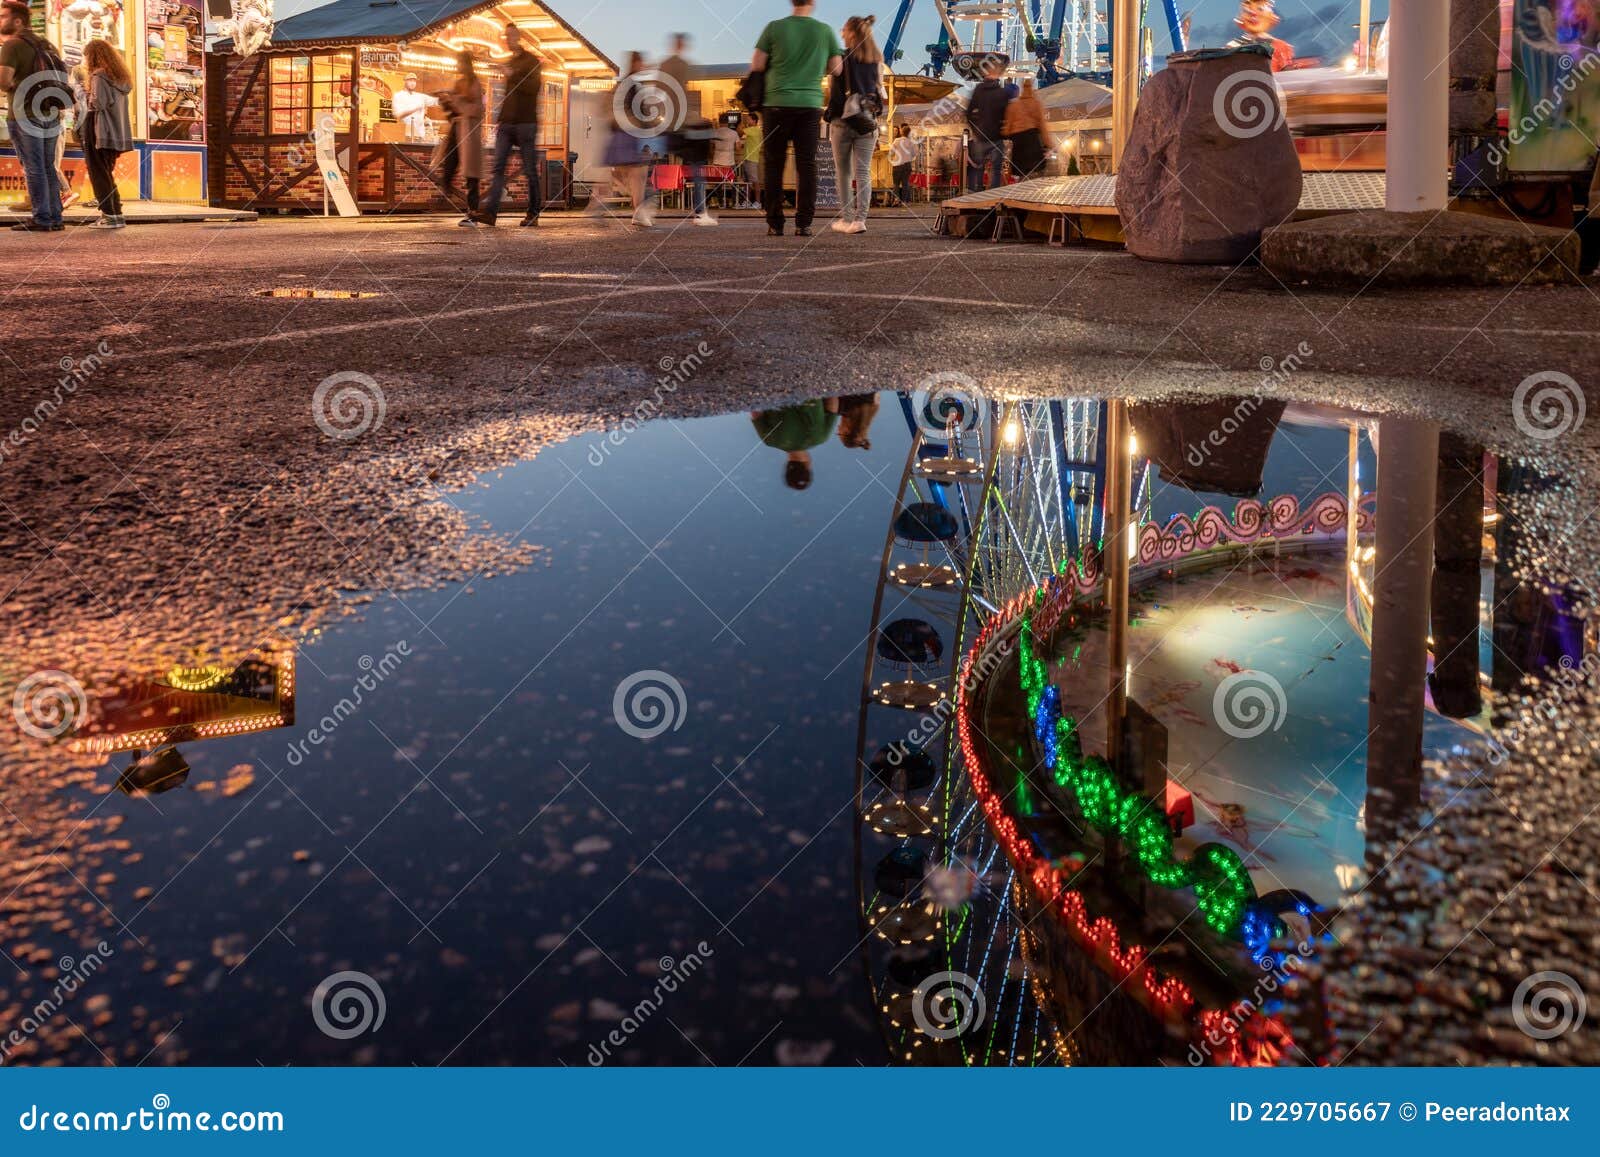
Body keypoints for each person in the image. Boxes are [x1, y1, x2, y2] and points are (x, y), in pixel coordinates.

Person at [752, 1, 842, 237]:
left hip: (776, 104)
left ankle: (775, 223)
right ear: (812, 2)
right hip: (809, 105)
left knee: (774, 164)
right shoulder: (824, 31)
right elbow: (837, 68)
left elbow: (757, 64)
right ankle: (803, 223)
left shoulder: (774, 28)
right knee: (807, 165)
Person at [1, 0, 65, 231]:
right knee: (47, 166)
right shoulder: (47, 44)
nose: (0, 20)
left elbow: (4, 81)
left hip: (24, 114)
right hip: (51, 113)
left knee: (34, 167)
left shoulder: (13, 44)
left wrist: (16, 86)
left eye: (3, 16)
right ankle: (55, 218)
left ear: (18, 21)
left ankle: (41, 218)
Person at [472, 23, 543, 228]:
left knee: (529, 170)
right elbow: (509, 95)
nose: (508, 40)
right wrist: (499, 119)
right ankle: (490, 214)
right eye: (506, 36)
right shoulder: (510, 61)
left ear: (518, 36)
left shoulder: (532, 61)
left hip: (526, 123)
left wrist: (513, 75)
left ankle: (533, 214)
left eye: (511, 36)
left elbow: (533, 89)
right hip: (507, 123)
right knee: (498, 168)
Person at [825, 14, 885, 235]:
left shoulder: (841, 57)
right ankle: (860, 220)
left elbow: (834, 89)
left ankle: (846, 218)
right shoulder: (877, 59)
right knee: (863, 171)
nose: (841, 32)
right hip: (867, 120)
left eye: (843, 29)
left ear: (851, 33)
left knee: (843, 172)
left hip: (842, 120)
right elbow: (880, 91)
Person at [660, 32, 717, 226]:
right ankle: (700, 213)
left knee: (654, 165)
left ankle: (642, 207)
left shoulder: (664, 65)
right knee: (697, 166)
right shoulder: (683, 66)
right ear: (681, 45)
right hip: (682, 126)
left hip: (667, 125)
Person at [603, 52, 663, 228]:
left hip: (625, 134)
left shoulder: (628, 84)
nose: (644, 67)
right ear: (636, 64)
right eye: (642, 64)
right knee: (637, 175)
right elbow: (635, 112)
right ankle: (636, 211)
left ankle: (637, 211)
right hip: (628, 134)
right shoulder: (630, 85)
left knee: (635, 175)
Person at [80, 38, 132, 230]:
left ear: (92, 56)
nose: (85, 61)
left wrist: (85, 98)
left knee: (98, 173)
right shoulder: (120, 78)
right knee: (106, 172)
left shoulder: (98, 75)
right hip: (116, 132)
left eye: (86, 56)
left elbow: (98, 104)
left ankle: (109, 215)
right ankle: (116, 213)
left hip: (99, 129)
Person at [436, 51, 485, 224]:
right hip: (457, 129)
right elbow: (453, 112)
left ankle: (473, 213)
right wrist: (445, 102)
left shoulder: (474, 83)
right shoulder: (460, 83)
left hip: (469, 132)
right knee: (449, 162)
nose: (457, 65)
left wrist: (456, 99)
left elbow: (477, 110)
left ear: (466, 64)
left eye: (459, 62)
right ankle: (446, 190)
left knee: (471, 175)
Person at [752, 399, 839, 490]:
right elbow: (754, 408)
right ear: (787, 467)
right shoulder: (770, 441)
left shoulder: (821, 438)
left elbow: (832, 400)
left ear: (808, 465)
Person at [965, 57, 1011, 192]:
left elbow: (968, 112)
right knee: (996, 170)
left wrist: (975, 129)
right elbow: (1007, 117)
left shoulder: (978, 90)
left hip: (981, 135)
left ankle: (977, 195)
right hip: (996, 137)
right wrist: (1003, 131)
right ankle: (992, 198)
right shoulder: (1002, 93)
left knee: (978, 167)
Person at [1002, 78, 1052, 179]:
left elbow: (1006, 128)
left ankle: (1021, 190)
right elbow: (1042, 125)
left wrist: (1005, 133)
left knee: (1020, 171)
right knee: (1035, 170)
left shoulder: (1014, 105)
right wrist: (1048, 144)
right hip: (1032, 140)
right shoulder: (1036, 104)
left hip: (1018, 141)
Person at [392, 74, 438, 141]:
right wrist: (415, 108)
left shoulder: (420, 96)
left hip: (420, 136)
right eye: (410, 80)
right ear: (405, 81)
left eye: (414, 81)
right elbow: (397, 114)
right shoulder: (398, 96)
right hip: (405, 135)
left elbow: (436, 101)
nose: (413, 83)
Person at [741, 114, 763, 208]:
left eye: (748, 119)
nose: (747, 121)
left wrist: (740, 122)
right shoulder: (752, 130)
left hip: (752, 159)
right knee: (748, 182)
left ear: (754, 121)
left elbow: (740, 131)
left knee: (755, 181)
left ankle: (758, 202)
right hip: (747, 158)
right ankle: (747, 201)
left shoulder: (755, 129)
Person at [890, 123, 915, 207]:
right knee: (905, 183)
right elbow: (914, 154)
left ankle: (896, 200)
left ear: (901, 132)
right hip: (907, 165)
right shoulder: (911, 142)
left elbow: (891, 153)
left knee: (896, 184)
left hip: (897, 165)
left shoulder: (896, 141)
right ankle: (904, 201)